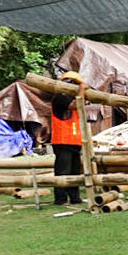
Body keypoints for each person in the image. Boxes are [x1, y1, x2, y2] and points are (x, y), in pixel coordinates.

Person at [49, 70, 85, 206]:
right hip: (62, 140)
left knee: (74, 171)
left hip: (74, 140)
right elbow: (75, 105)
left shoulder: (70, 97)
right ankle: (60, 199)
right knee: (62, 171)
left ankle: (75, 198)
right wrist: (81, 91)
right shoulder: (60, 97)